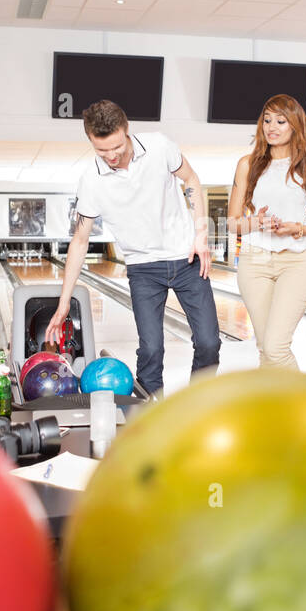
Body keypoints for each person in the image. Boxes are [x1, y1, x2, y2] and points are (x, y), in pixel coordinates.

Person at [45, 99, 219, 396]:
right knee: (151, 350)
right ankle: (149, 411)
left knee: (209, 342)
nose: (111, 156)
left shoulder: (159, 146)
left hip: (187, 259)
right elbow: (80, 240)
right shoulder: (91, 181)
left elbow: (191, 178)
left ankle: (198, 402)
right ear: (91, 141)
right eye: (102, 150)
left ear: (126, 130)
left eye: (117, 146)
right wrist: (63, 303)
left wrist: (201, 235)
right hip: (143, 269)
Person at [229, 95, 306, 369]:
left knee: (276, 346)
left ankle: (299, 400)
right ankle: (273, 398)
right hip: (255, 261)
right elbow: (232, 223)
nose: (271, 127)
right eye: (267, 120)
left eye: (280, 121)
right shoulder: (247, 164)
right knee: (265, 347)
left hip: (297, 262)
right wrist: (256, 222)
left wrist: (297, 228)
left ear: (295, 125)